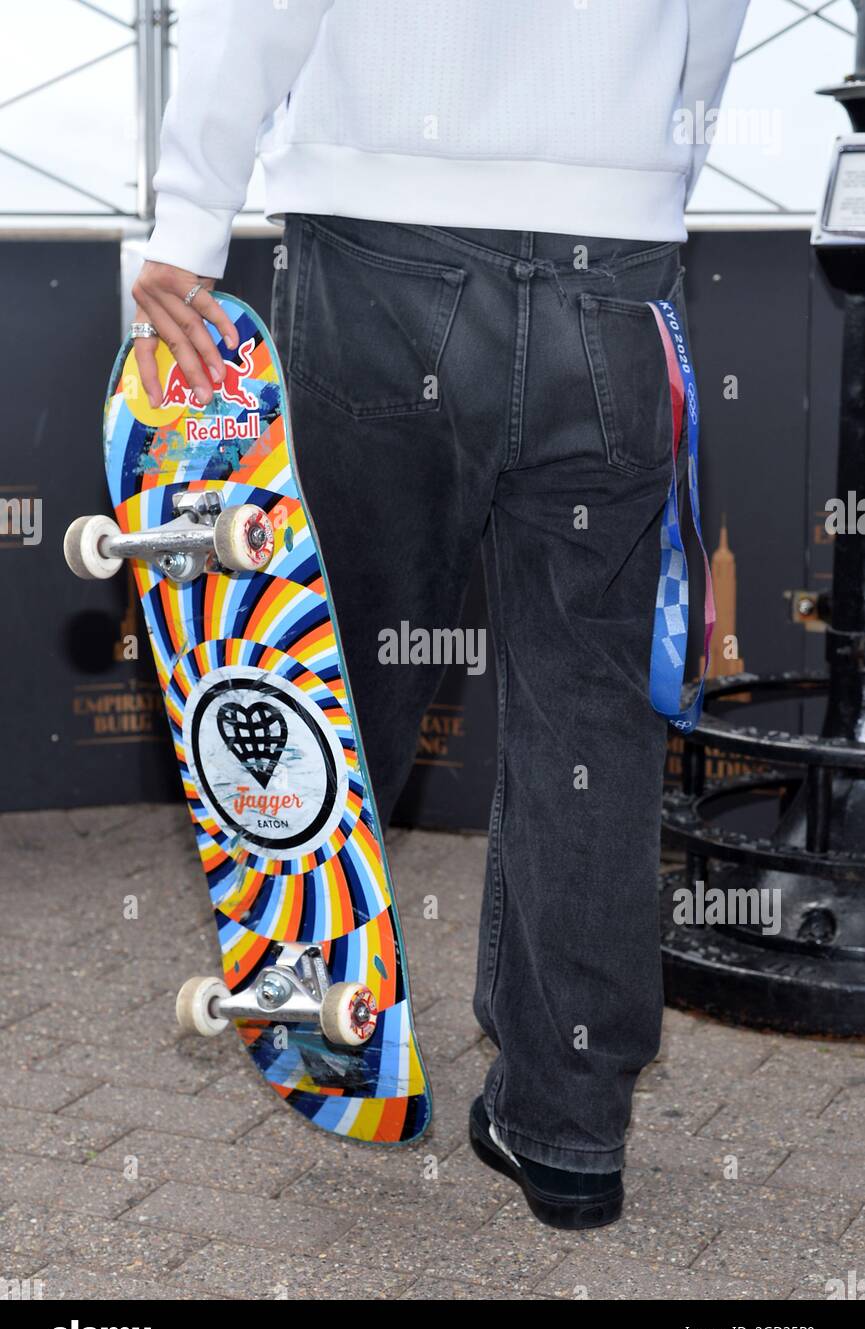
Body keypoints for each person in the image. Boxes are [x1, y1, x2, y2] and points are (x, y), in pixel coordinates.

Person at [133, 0, 749, 1230]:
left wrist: (190, 214)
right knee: (589, 714)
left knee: (333, 674)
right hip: (611, 265)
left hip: (381, 254)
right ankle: (570, 1130)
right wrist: (641, 161)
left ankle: (321, 1014)